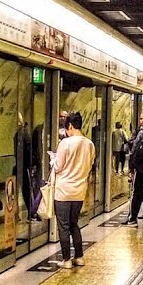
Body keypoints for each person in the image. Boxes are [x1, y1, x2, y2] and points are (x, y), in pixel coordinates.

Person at [49, 111, 95, 268]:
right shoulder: (89, 144)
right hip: (79, 190)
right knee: (74, 224)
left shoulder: (65, 143)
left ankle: (66, 260)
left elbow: (58, 166)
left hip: (63, 191)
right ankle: (79, 257)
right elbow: (90, 165)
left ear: (69, 126)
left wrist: (53, 160)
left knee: (63, 225)